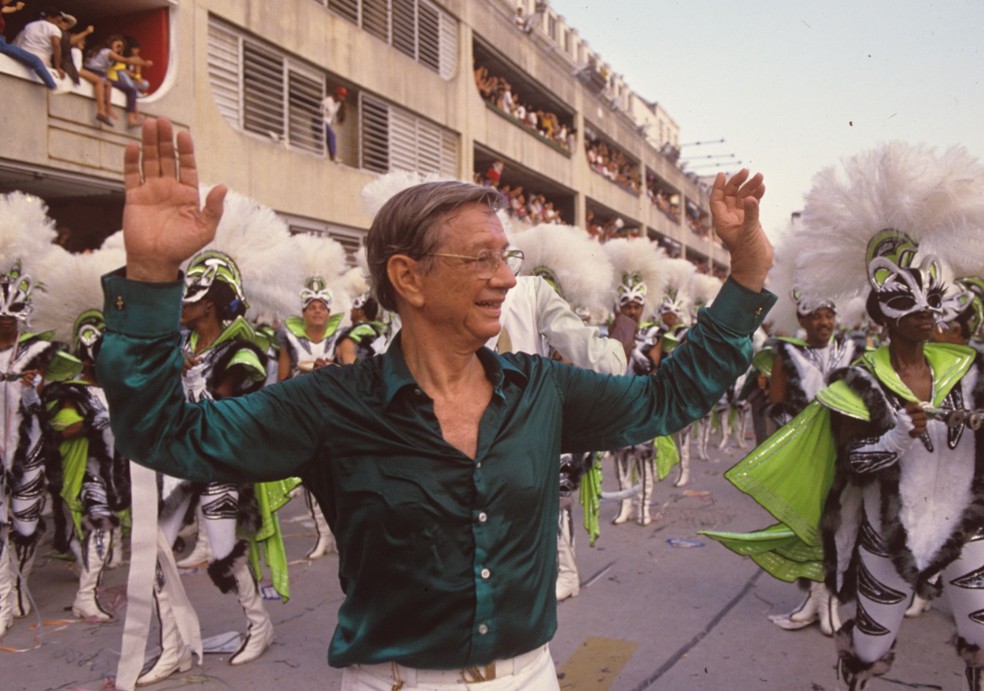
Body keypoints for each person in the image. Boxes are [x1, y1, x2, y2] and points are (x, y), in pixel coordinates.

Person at [98, 118, 774, 689]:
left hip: (529, 676)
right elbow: (165, 434)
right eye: (481, 259)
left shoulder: (543, 389)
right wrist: (153, 276)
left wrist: (746, 276)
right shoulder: (330, 405)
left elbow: (669, 395)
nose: (507, 277)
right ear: (407, 278)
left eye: (505, 257)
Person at [763, 293, 856, 636]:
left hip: (845, 456)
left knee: (841, 528)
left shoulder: (851, 352)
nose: (824, 323)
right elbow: (775, 405)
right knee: (812, 529)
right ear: (801, 321)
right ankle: (815, 599)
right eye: (815, 316)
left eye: (828, 315)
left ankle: (830, 599)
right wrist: (799, 442)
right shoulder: (786, 355)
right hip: (805, 457)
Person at [45, 310, 131, 623]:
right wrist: (90, 425)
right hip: (85, 472)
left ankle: (87, 595)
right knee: (97, 533)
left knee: (106, 534)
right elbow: (60, 429)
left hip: (115, 473)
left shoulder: (116, 389)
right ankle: (85, 596)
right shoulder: (71, 391)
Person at [0, 259, 64, 638]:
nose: (4, 322)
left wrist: (30, 386)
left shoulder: (37, 351)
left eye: (10, 316)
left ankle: (20, 582)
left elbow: (41, 399)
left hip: (27, 454)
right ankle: (3, 603)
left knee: (24, 527)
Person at [277, 276, 344, 559]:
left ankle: (342, 535)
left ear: (329, 312)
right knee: (312, 479)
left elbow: (352, 371)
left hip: (335, 416)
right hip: (304, 415)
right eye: (312, 306)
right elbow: (280, 379)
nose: (317, 310)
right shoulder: (289, 339)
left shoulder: (341, 338)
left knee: (340, 478)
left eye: (322, 306)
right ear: (303, 312)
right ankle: (323, 536)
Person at [7, 5, 64, 90]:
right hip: (42, 64)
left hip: (23, 59)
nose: (59, 25)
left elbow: (18, 42)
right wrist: (58, 67)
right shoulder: (54, 29)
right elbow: (56, 45)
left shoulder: (30, 25)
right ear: (49, 17)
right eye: (58, 21)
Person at [321, 85, 347, 162]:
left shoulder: (338, 104)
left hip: (327, 123)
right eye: (341, 95)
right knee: (332, 135)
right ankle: (333, 156)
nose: (343, 98)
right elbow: (320, 111)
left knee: (330, 136)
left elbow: (333, 118)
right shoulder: (328, 100)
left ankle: (329, 156)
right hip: (321, 120)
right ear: (337, 94)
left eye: (344, 96)